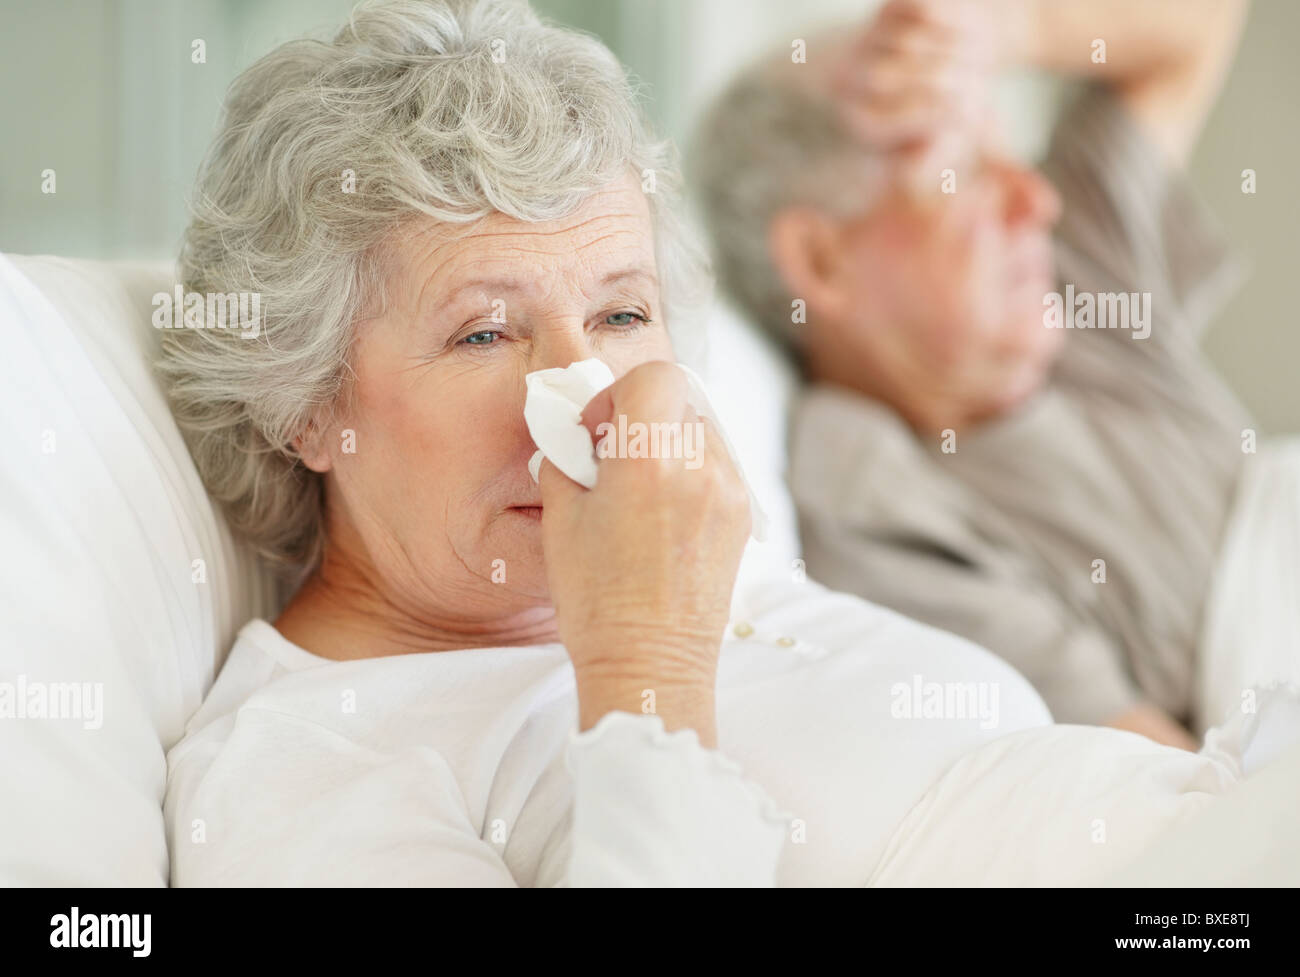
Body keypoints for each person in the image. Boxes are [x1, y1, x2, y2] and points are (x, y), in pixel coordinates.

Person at [161, 0, 1295, 887]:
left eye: (619, 312)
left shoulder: (720, 556)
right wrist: (645, 658)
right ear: (304, 400)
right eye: (485, 329)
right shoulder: (305, 765)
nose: (591, 386)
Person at [692, 0, 1256, 749]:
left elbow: (1202, 25)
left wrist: (1009, 31)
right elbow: (1180, 787)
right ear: (822, 261)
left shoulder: (1077, 266)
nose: (1037, 200)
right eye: (962, 172)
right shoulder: (872, 503)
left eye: (1009, 153)